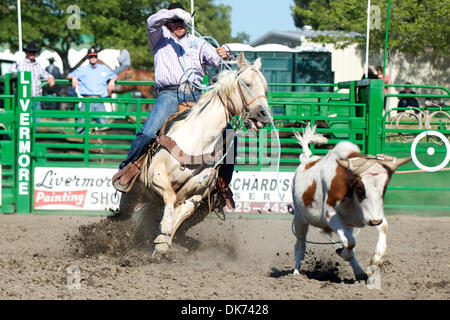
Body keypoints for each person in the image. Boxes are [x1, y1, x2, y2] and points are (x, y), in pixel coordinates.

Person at [114, 2, 235, 212]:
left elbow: (217, 61)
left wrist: (227, 54)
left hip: (197, 94)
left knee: (229, 134)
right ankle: (129, 168)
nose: (178, 24)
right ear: (168, 21)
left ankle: (223, 185)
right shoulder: (159, 38)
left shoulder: (199, 43)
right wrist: (177, 13)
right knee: (148, 132)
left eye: (181, 20)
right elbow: (151, 21)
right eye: (174, 20)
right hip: (169, 93)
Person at [67, 47, 117, 133]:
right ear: (88, 58)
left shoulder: (104, 68)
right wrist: (74, 78)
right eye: (91, 56)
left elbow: (114, 76)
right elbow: (69, 75)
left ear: (97, 57)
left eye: (94, 56)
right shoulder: (82, 69)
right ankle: (81, 145)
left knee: (103, 126)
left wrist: (112, 81)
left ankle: (102, 145)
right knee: (82, 126)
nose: (93, 58)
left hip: (100, 101)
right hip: (87, 101)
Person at [9, 42, 55, 119]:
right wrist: (18, 75)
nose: (32, 53)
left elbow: (46, 75)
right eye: (30, 52)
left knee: (36, 119)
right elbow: (9, 73)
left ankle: (33, 130)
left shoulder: (38, 65)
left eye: (33, 52)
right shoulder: (20, 63)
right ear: (26, 52)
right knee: (24, 121)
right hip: (24, 98)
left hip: (36, 97)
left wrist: (50, 78)